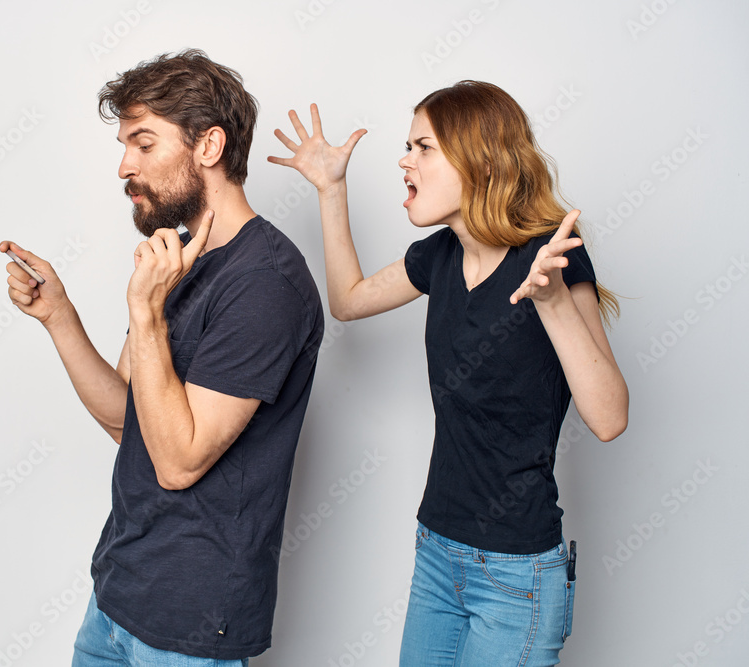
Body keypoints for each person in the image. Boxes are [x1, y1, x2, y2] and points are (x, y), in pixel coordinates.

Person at [268, 81, 628, 665]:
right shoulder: (439, 255)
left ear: (480, 162)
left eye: (424, 147)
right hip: (437, 551)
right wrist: (332, 190)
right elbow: (348, 300)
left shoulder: (550, 258)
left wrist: (553, 301)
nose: (405, 161)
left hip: (516, 575)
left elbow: (610, 418)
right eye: (407, 146)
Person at [0, 50, 324, 666]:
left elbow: (178, 463)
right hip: (118, 593)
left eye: (144, 144)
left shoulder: (266, 283)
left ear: (209, 146)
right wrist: (59, 316)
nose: (125, 166)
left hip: (190, 621)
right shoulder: (177, 256)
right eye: (125, 146)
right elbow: (128, 423)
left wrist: (147, 312)